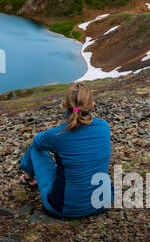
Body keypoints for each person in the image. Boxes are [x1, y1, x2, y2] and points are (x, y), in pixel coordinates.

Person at [17, 82, 111, 219]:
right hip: (103, 201)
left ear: (66, 105)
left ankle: (27, 177)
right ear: (92, 105)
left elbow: (37, 141)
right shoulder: (104, 127)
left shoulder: (57, 134)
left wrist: (57, 130)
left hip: (64, 208)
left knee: (36, 148)